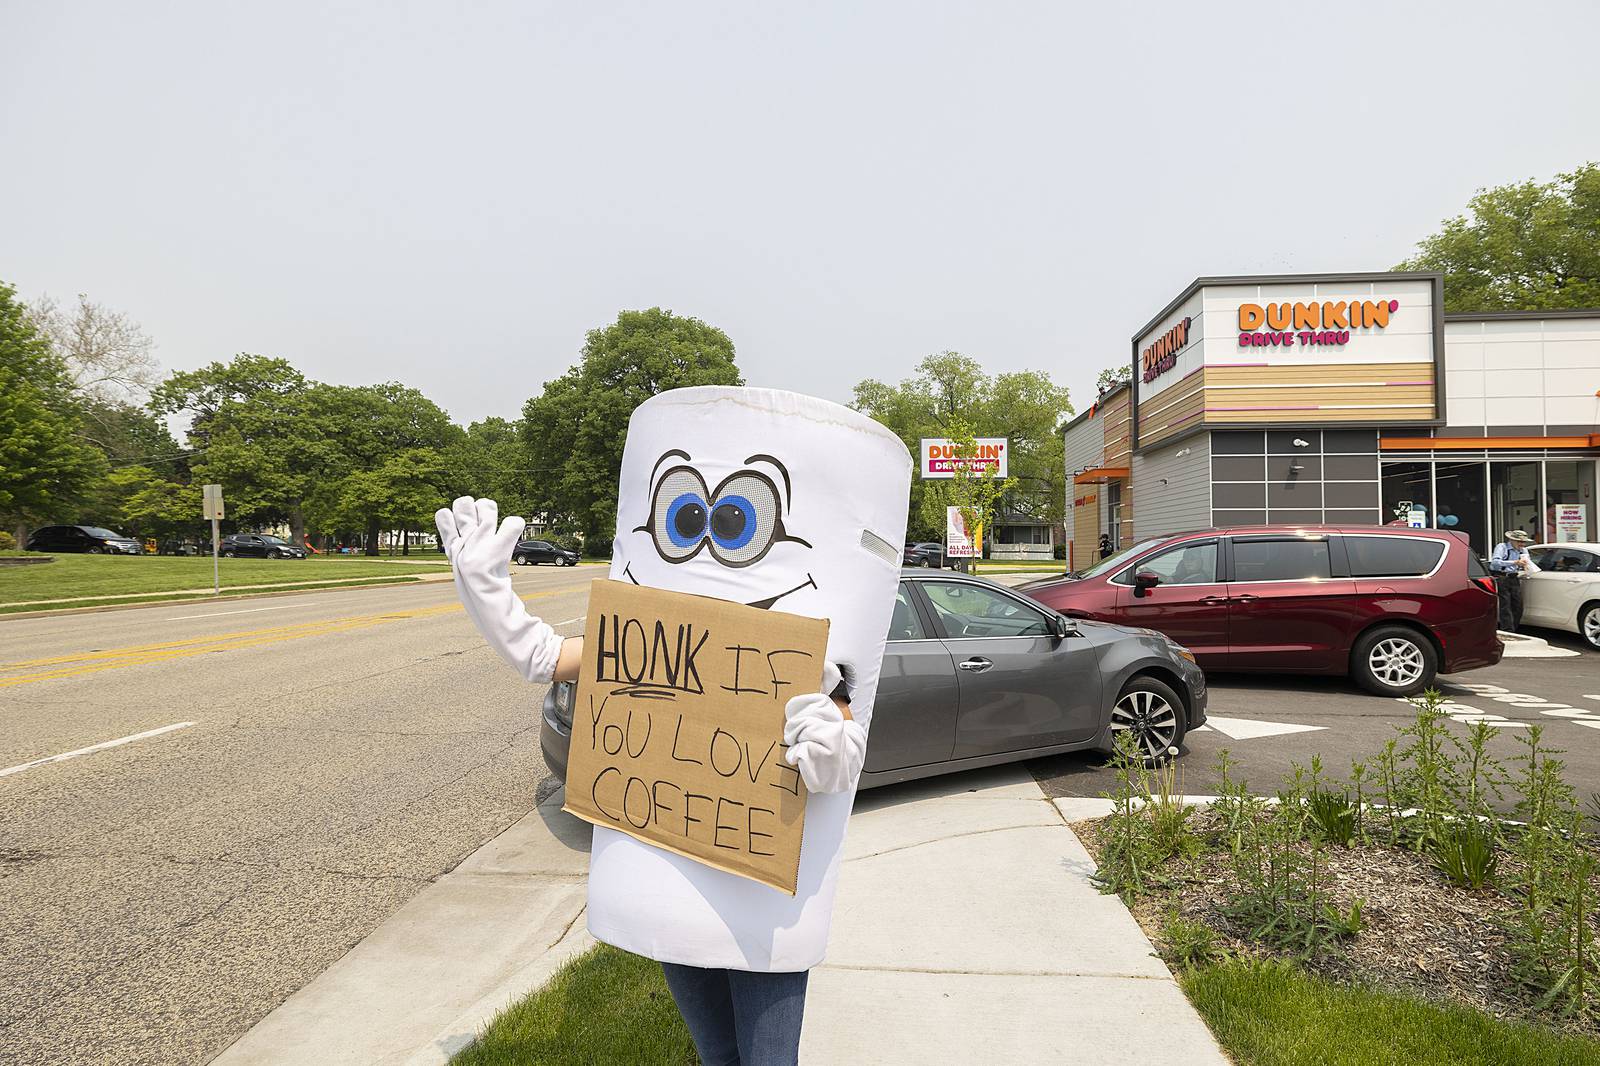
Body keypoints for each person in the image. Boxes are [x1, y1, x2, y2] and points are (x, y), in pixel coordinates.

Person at [437, 387, 910, 1065]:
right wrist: (486, 590)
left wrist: (828, 745)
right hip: (674, 881)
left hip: (763, 904)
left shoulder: (803, 657)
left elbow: (840, 752)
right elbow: (547, 657)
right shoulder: (645, 641)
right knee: (716, 1057)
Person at [1490, 529, 1537, 632]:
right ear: (1512, 540)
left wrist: (1528, 568)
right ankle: (1508, 631)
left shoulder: (1523, 550)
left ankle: (1514, 629)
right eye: (1520, 542)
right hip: (1502, 577)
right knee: (1505, 605)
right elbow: (1495, 563)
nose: (1522, 544)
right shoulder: (1502, 547)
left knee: (1518, 605)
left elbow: (1527, 563)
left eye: (1524, 542)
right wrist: (1515, 562)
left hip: (1514, 578)